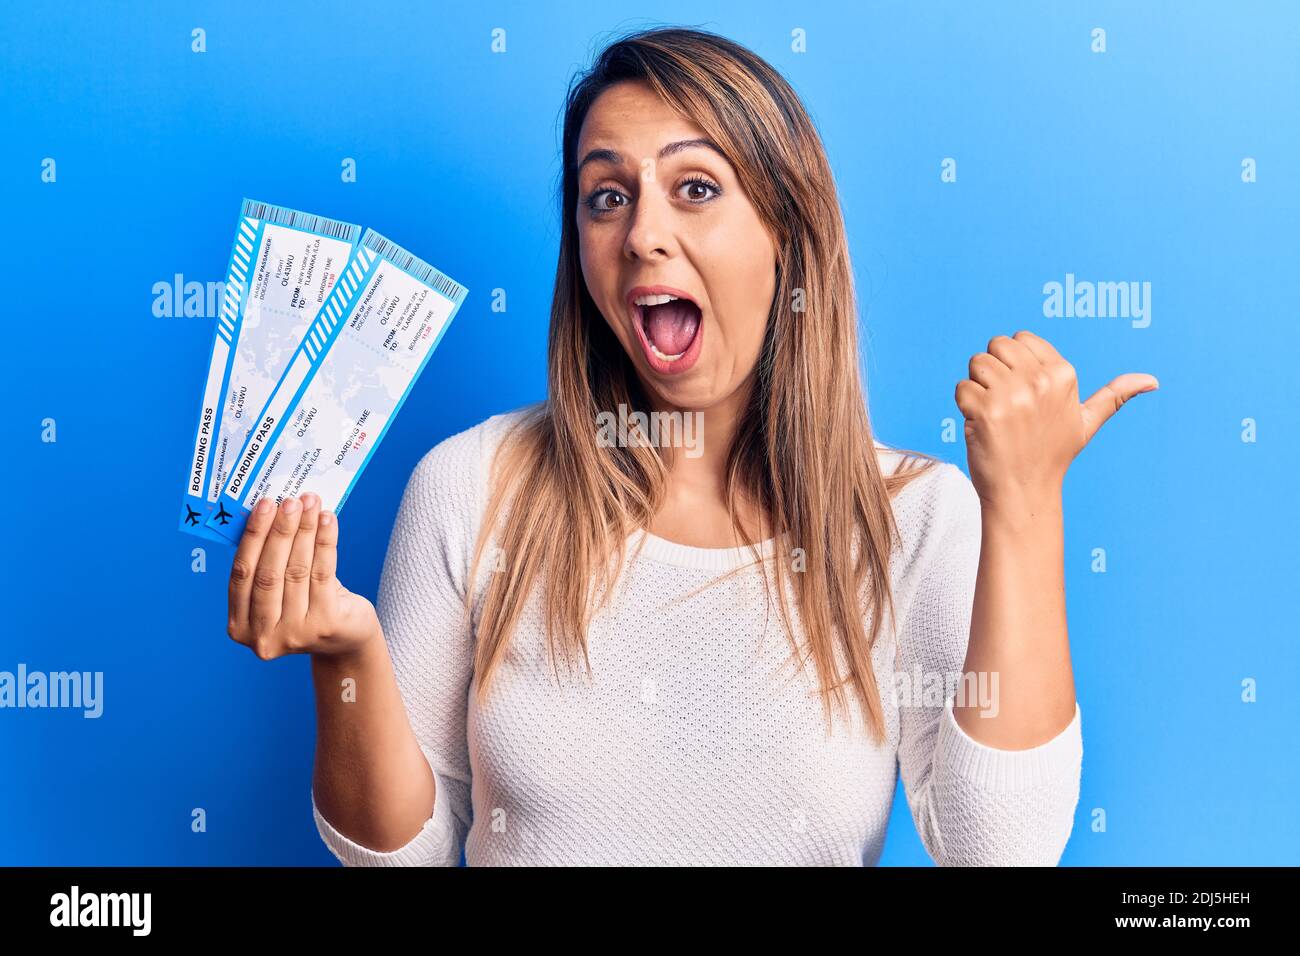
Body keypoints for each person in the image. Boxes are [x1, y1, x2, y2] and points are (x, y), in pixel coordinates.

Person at [225, 26, 1157, 866]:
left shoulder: (915, 517)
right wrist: (346, 661)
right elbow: (399, 857)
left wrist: (1026, 509)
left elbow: (1003, 852)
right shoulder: (471, 485)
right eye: (605, 197)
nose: (642, 235)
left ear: (788, 235)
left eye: (696, 188)